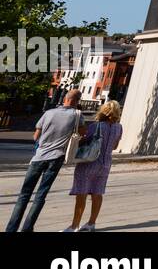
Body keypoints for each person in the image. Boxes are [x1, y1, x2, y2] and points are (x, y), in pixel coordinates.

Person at [6, 89, 85, 232]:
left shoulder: (48, 113)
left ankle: (11, 229)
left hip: (38, 157)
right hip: (56, 158)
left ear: (65, 99)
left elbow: (36, 136)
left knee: (24, 194)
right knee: (40, 195)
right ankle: (27, 228)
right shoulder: (77, 116)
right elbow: (81, 135)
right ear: (77, 101)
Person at [64, 100, 124, 232]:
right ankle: (91, 223)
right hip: (105, 164)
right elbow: (114, 146)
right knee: (97, 193)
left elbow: (83, 140)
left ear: (104, 110)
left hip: (89, 163)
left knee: (82, 193)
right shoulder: (119, 127)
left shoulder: (95, 126)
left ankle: (74, 226)